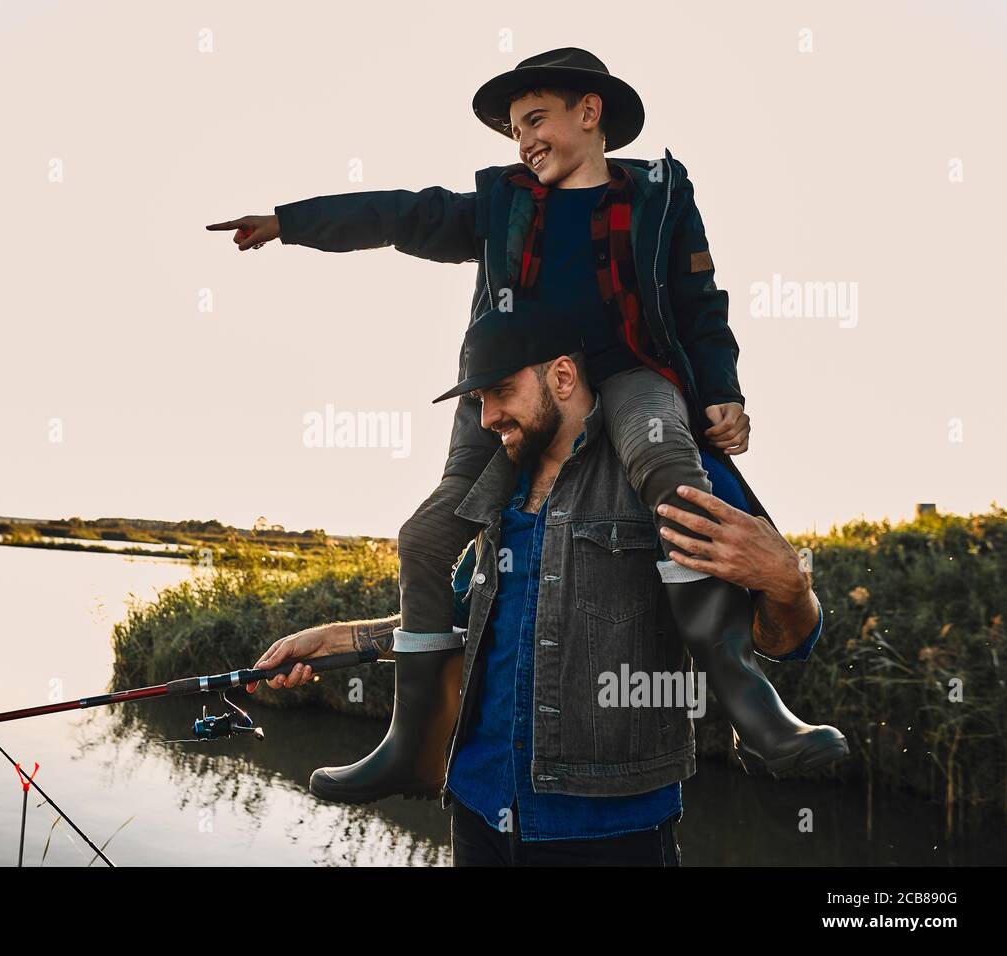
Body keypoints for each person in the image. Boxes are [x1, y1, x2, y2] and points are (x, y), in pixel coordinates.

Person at [211, 48, 846, 804]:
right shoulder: (502, 206)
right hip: (517, 376)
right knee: (428, 533)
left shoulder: (662, 198)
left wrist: (723, 392)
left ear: (591, 112)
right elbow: (401, 212)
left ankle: (752, 708)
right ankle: (412, 746)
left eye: (535, 120)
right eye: (514, 130)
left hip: (633, 373)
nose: (524, 142)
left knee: (672, 471)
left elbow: (702, 304)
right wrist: (289, 222)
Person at [252, 305, 834, 865]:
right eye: (479, 400)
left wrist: (789, 582)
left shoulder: (668, 464)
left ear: (560, 375)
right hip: (479, 810)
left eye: (501, 391)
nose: (487, 417)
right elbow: (469, 621)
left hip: (609, 828)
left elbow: (783, 639)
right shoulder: (494, 488)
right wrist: (338, 639)